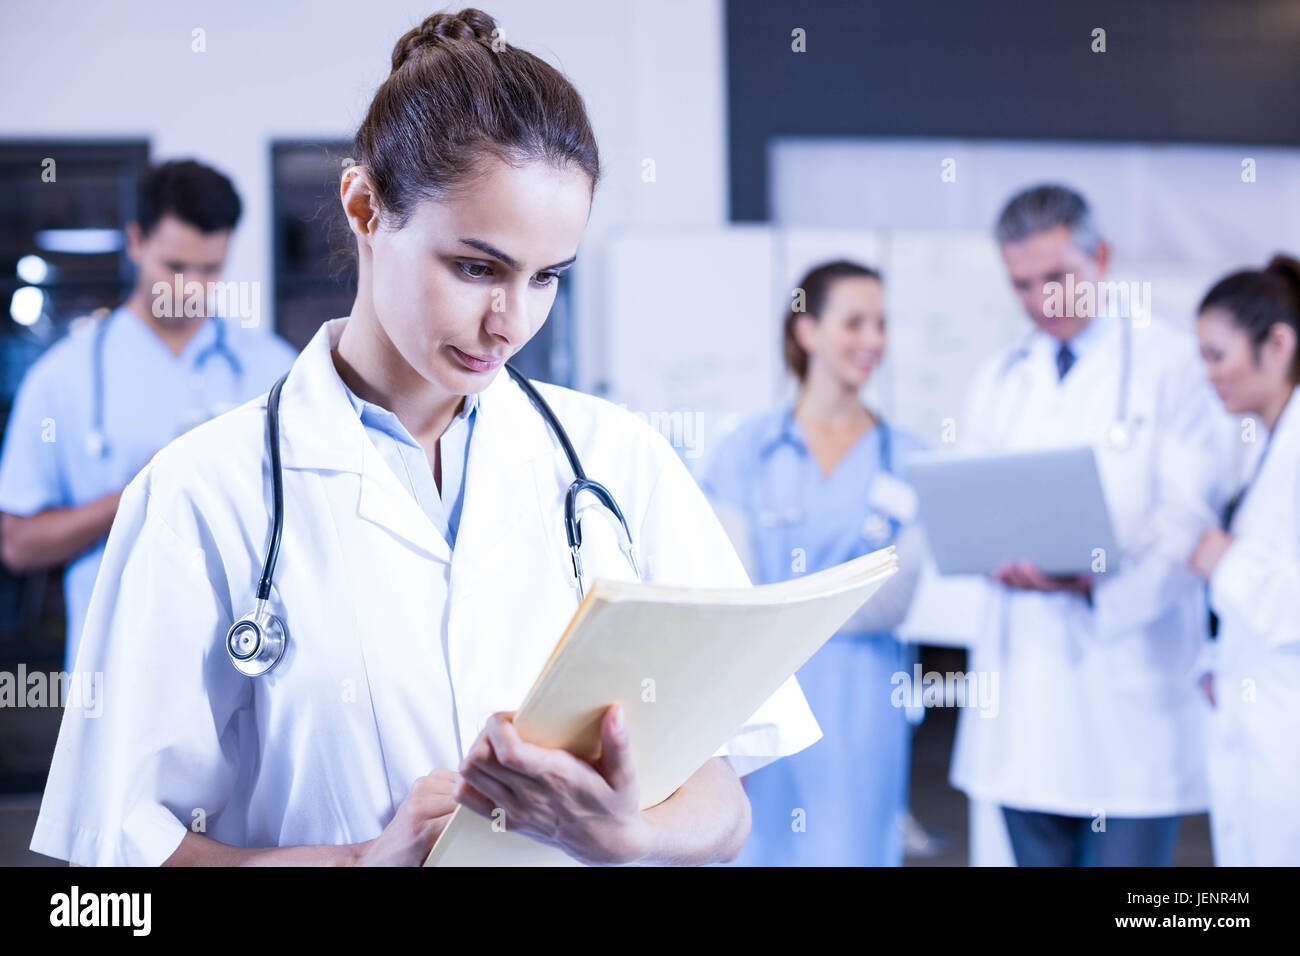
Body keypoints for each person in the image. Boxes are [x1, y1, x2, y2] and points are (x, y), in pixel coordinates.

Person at [29, 8, 820, 867]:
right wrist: (359, 863)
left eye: (546, 277)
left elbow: (727, 794)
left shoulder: (619, 461)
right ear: (364, 205)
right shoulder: (202, 491)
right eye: (476, 267)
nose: (510, 321)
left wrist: (627, 833)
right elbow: (123, 858)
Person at [948, 184, 1231, 866]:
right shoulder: (1001, 377)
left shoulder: (1174, 368)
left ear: (1101, 257)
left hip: (1129, 702)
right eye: (1020, 285)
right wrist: (993, 555)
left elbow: (1186, 526)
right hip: (1024, 707)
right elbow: (970, 502)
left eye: (1057, 279)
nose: (1040, 301)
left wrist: (1088, 588)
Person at [0, 160, 298, 669]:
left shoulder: (274, 370)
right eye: (175, 267)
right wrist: (139, 494)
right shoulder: (62, 378)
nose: (191, 288)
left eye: (210, 270)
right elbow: (17, 544)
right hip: (114, 668)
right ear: (135, 242)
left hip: (250, 665)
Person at [702, 260, 928, 866]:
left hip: (865, 707)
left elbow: (893, 599)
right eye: (855, 323)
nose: (874, 341)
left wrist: (785, 600)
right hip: (758, 698)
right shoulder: (745, 452)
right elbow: (731, 594)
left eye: (881, 324)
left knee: (853, 847)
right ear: (807, 332)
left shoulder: (909, 458)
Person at [1190, 254, 1300, 866]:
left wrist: (1222, 563)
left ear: (1278, 343)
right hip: (1260, 732)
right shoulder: (1265, 443)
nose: (1208, 375)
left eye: (1218, 354)